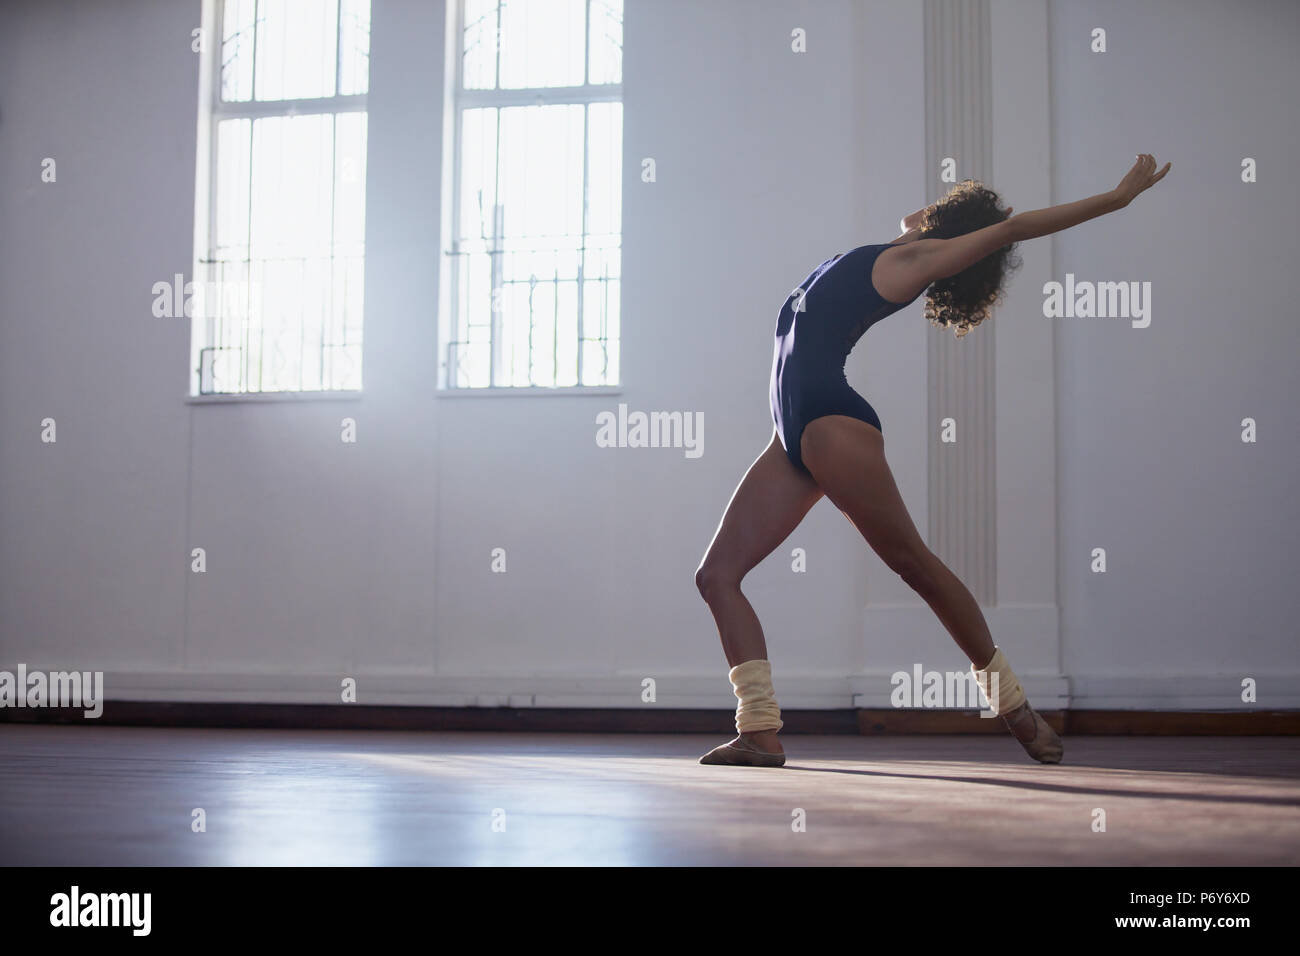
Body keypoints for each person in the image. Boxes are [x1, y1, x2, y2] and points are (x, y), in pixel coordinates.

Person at [695, 154, 1171, 767]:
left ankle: (1017, 710)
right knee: (715, 576)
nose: (933, 204)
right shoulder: (883, 250)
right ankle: (758, 730)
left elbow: (1011, 229)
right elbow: (916, 215)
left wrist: (1113, 199)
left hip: (831, 423)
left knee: (914, 565)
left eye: (949, 206)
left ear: (950, 229)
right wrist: (943, 214)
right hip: (787, 436)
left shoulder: (910, 263)